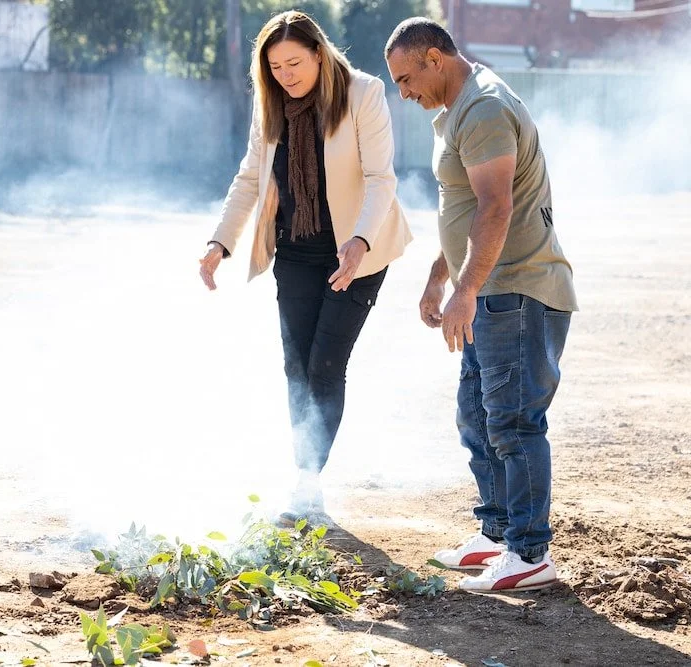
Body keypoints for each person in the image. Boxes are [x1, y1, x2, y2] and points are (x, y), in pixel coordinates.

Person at [384, 18, 578, 592]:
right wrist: (440, 275)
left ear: (435, 58)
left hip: (517, 289)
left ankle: (529, 552)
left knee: (514, 421)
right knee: (478, 415)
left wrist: (464, 289)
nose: (404, 92)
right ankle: (496, 534)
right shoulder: (457, 110)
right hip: (490, 290)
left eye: (406, 78)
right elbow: (464, 208)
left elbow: (495, 208)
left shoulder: (485, 107)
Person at [199, 10, 413, 525]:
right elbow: (251, 177)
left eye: (294, 63)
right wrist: (219, 242)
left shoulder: (363, 93)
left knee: (324, 365)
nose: (286, 75)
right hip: (294, 251)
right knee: (296, 366)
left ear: (319, 53)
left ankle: (309, 478)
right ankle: (304, 476)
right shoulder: (271, 103)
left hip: (355, 254)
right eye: (274, 67)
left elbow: (381, 178)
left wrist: (359, 241)